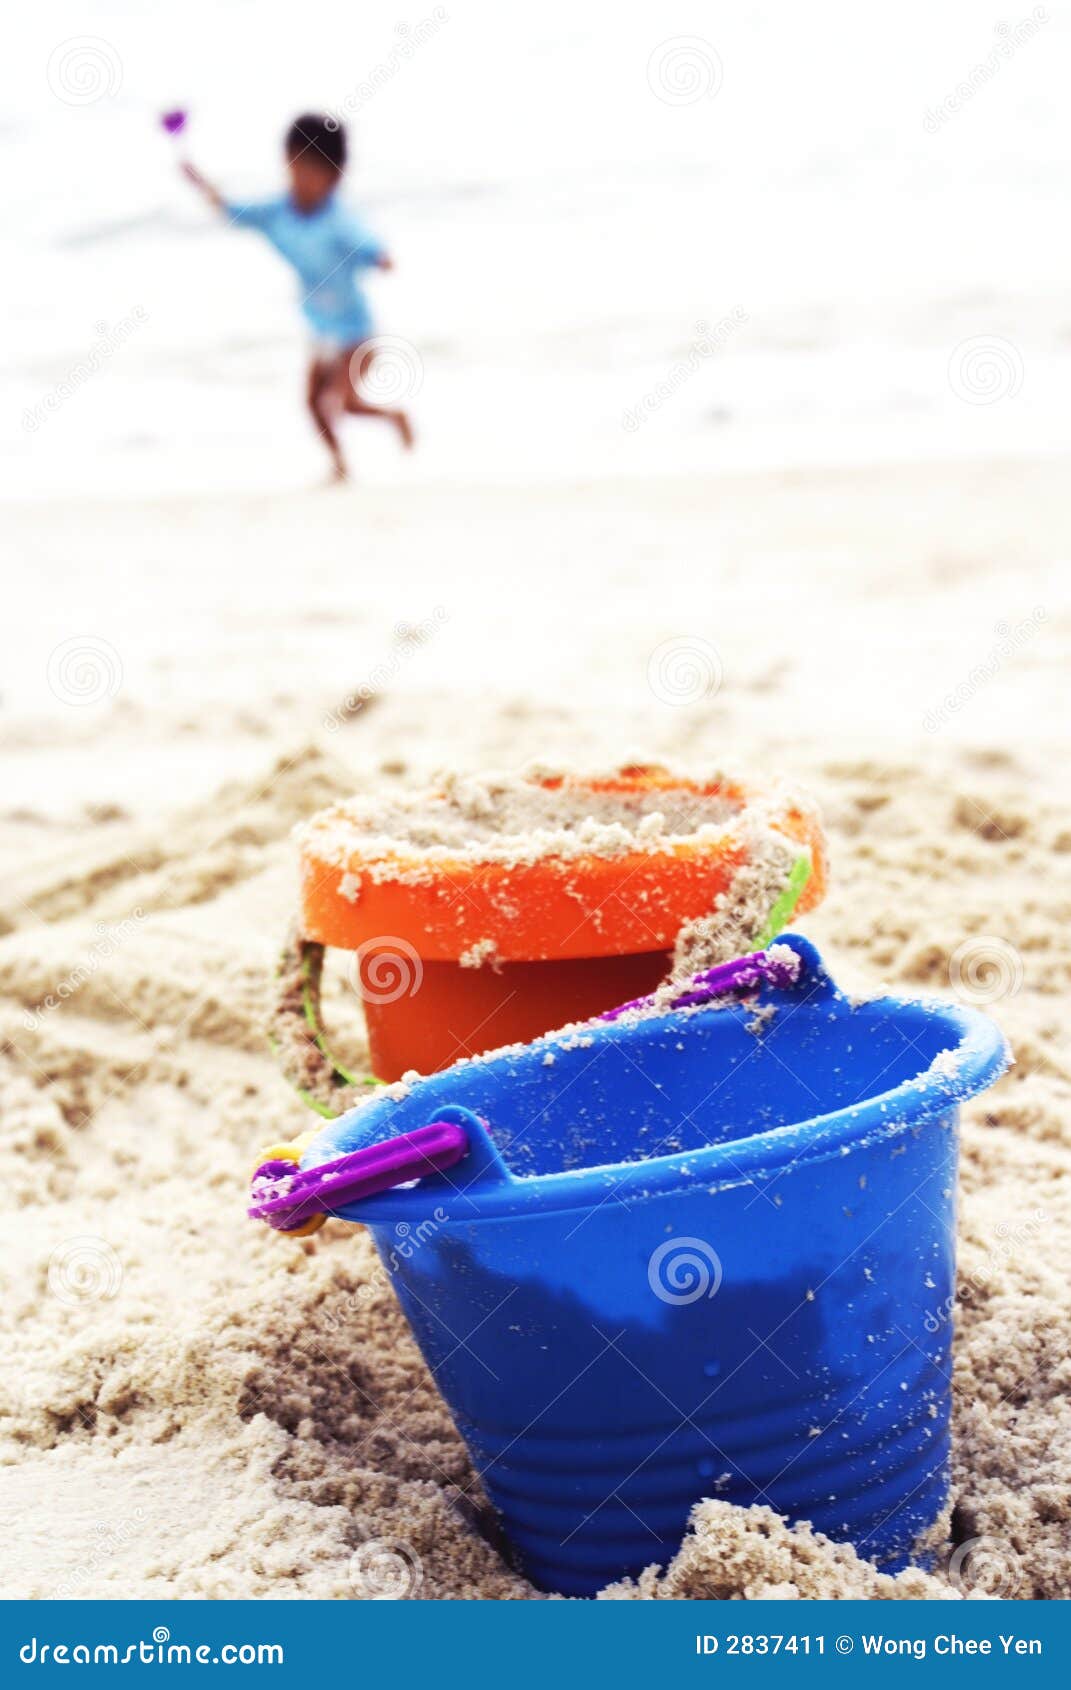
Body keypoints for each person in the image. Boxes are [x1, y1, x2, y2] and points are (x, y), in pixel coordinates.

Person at [182, 113, 413, 481]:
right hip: (321, 328)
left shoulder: (338, 220)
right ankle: (340, 464)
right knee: (313, 405)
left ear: (333, 176)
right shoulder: (279, 213)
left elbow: (369, 245)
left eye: (309, 170)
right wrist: (200, 184)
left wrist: (380, 258)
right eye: (293, 165)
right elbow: (233, 212)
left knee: (342, 402)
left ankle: (394, 417)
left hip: (356, 331)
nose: (298, 177)